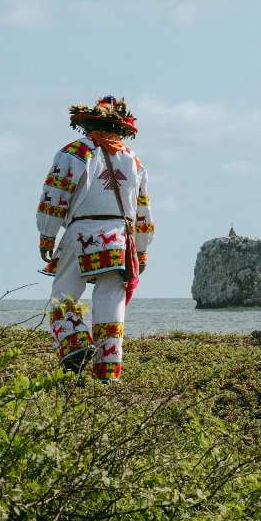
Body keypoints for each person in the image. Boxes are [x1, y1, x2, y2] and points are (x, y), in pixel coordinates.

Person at [36, 96, 154, 382]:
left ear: (86, 123)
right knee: (110, 301)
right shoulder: (133, 160)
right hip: (119, 237)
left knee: (62, 295)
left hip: (81, 234)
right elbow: (143, 209)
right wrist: (141, 249)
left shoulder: (73, 153)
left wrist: (47, 233)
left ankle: (76, 344)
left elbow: (55, 194)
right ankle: (108, 372)